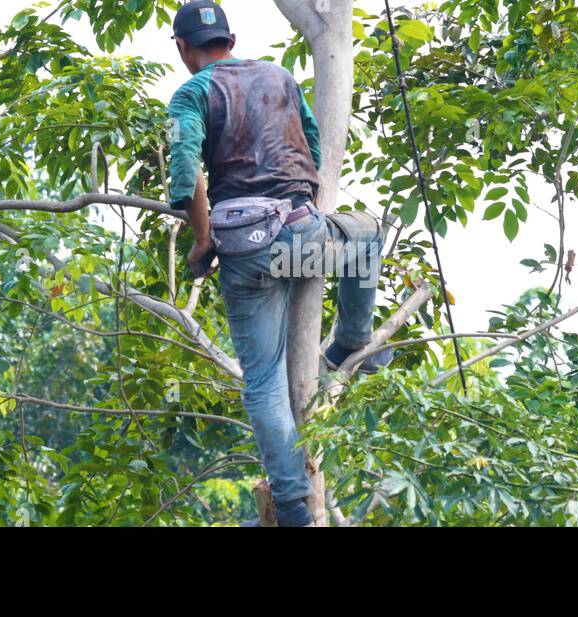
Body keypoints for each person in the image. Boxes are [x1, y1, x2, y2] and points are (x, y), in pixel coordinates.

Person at [166, 1, 392, 527]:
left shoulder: (192, 93)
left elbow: (184, 175)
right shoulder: (280, 76)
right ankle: (353, 338)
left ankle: (292, 511)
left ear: (182, 48)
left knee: (264, 381)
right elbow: (312, 144)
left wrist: (203, 242)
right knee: (367, 236)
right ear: (232, 39)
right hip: (299, 237)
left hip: (244, 251)